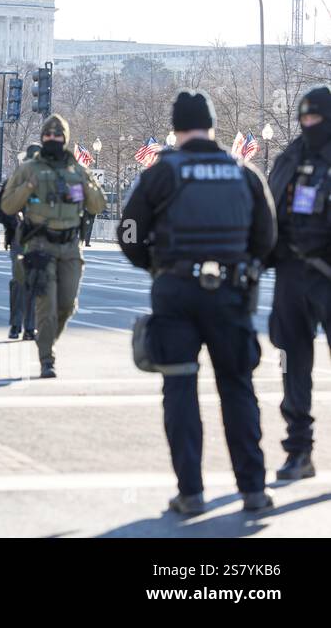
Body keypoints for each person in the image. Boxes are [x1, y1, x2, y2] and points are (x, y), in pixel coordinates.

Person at [119, 90, 275, 515]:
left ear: (175, 128)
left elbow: (129, 231)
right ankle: (253, 490)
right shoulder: (243, 172)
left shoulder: (160, 174)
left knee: (180, 389)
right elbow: (268, 237)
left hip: (177, 292)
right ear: (212, 125)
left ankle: (191, 492)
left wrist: (154, 265)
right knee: (238, 389)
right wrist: (247, 265)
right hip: (230, 294)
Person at [0, 115, 105, 378]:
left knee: (67, 304)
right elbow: (7, 205)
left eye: (58, 136)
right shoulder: (28, 169)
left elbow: (97, 205)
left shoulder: (77, 170)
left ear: (65, 139)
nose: (53, 139)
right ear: (42, 137)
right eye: (48, 135)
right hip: (40, 245)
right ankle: (47, 358)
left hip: (70, 245)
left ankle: (46, 341)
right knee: (45, 307)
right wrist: (28, 187)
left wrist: (85, 186)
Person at [266, 84, 331, 482]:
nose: (309, 125)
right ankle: (298, 450)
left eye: (316, 118)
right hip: (291, 274)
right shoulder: (291, 155)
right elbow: (268, 208)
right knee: (292, 362)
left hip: (327, 273)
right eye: (303, 118)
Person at [0, 151, 37, 340]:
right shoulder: (13, 182)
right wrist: (11, 222)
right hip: (19, 238)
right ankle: (16, 325)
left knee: (35, 283)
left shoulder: (49, 182)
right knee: (20, 282)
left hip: (42, 239)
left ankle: (30, 327)